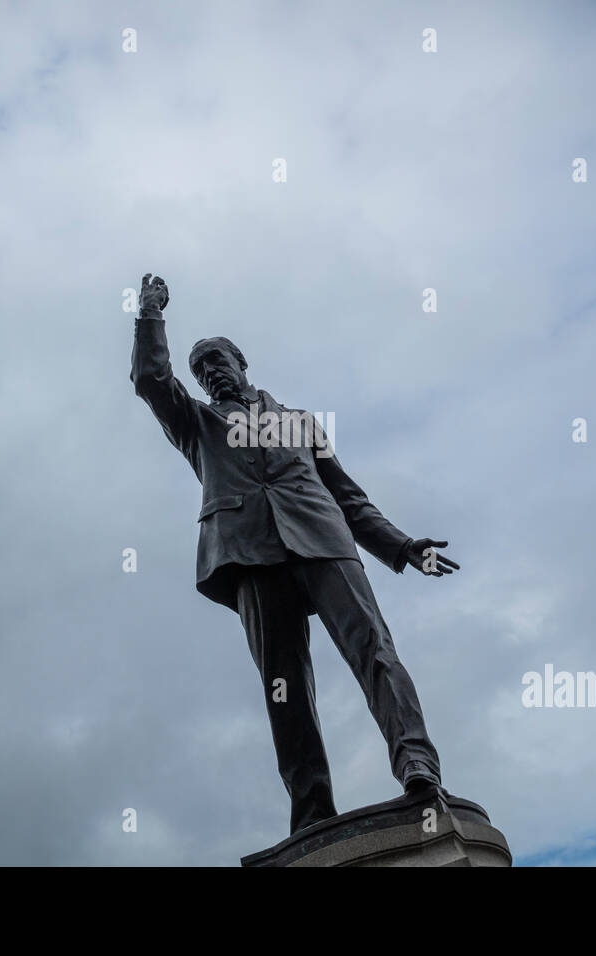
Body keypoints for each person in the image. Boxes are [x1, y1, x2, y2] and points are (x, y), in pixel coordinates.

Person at [130, 273, 460, 834]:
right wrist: (150, 314)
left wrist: (403, 547)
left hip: (324, 541)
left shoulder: (301, 423)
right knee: (283, 685)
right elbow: (151, 380)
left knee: (375, 651)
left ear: (242, 362)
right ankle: (312, 813)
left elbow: (349, 498)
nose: (210, 370)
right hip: (248, 554)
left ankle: (418, 769)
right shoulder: (197, 422)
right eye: (200, 367)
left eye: (217, 359)